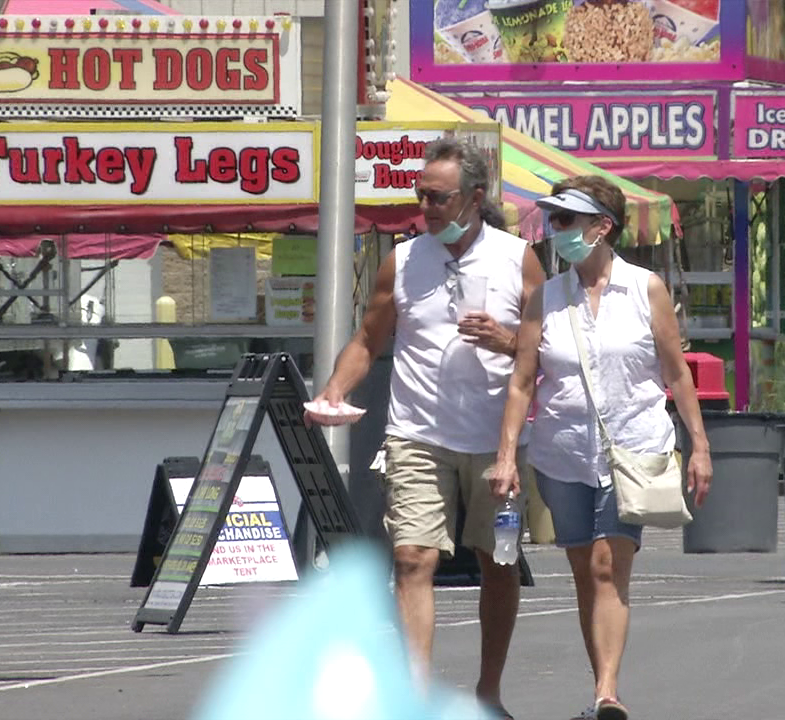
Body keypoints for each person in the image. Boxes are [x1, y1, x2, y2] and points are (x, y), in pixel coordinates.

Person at [306, 138, 543, 719]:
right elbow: (368, 339)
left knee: (498, 562)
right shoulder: (404, 259)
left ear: (475, 198)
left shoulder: (519, 260)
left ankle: (488, 691)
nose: (426, 207)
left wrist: (506, 341)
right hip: (417, 432)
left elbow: (544, 352)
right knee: (412, 558)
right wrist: (337, 387)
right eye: (421, 196)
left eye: (438, 197)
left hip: (496, 438)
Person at [489, 176, 713, 720]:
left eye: (566, 220)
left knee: (610, 565)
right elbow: (522, 381)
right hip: (562, 452)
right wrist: (506, 454)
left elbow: (677, 374)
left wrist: (700, 446)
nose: (555, 230)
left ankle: (608, 692)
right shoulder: (546, 297)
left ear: (601, 227)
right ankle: (601, 685)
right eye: (552, 220)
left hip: (633, 450)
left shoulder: (645, 288)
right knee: (585, 570)